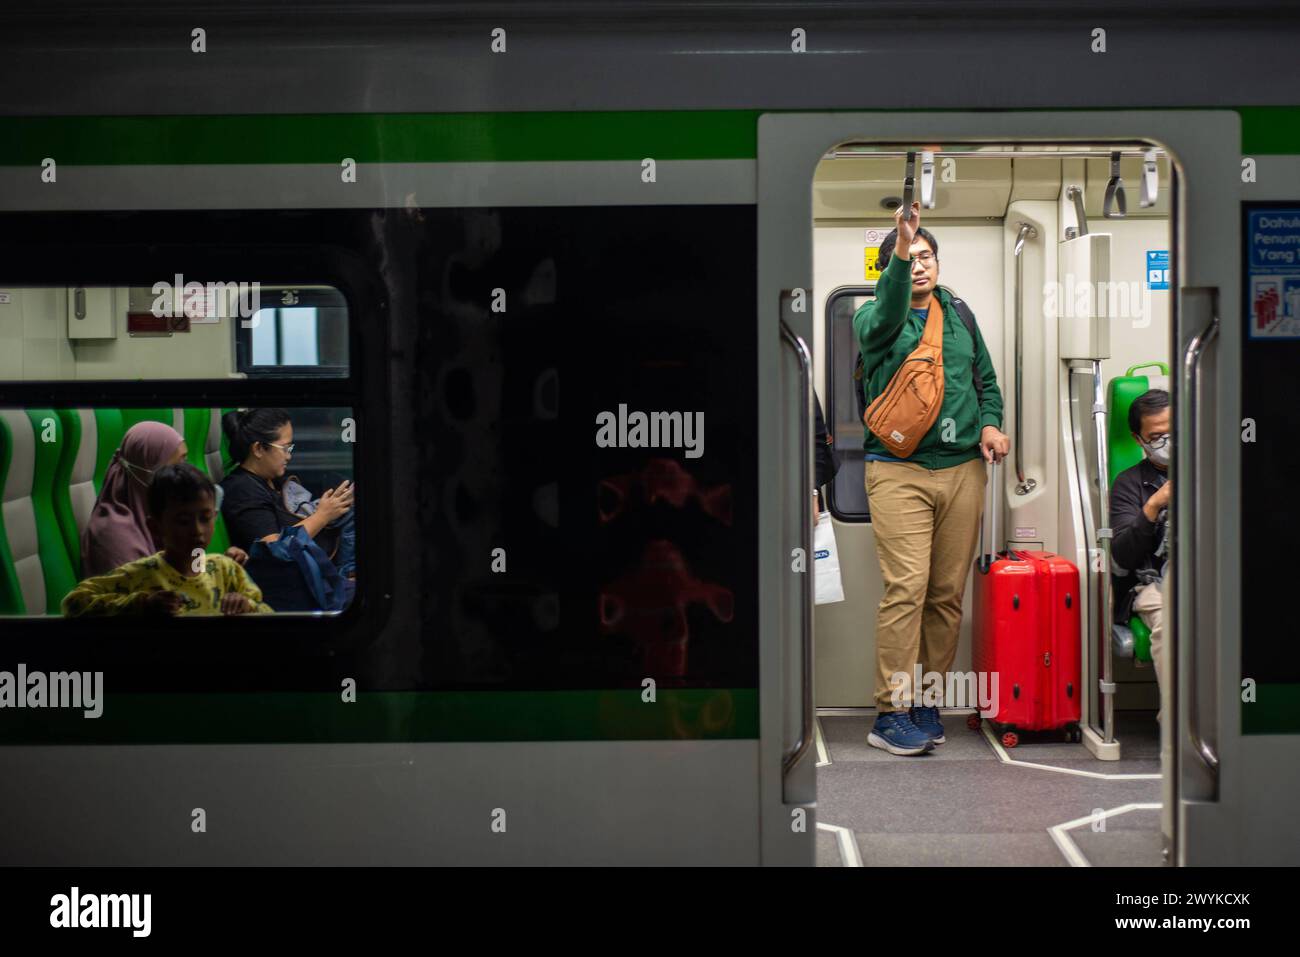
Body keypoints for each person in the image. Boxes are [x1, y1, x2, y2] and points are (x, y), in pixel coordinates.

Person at [853, 201, 1009, 756]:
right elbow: (889, 301)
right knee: (907, 589)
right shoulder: (875, 318)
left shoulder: (961, 315)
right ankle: (890, 712)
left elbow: (987, 383)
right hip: (899, 473)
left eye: (926, 256)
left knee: (946, 595)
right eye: (908, 257)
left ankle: (924, 699)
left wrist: (991, 426)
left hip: (964, 468)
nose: (918, 264)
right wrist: (897, 245)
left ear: (938, 264)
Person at [62, 463, 271, 617]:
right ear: (156, 527)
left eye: (205, 518)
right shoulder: (141, 575)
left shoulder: (225, 570)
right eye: (183, 521)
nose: (197, 530)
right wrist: (140, 604)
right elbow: (73, 603)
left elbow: (268, 612)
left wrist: (247, 606)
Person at [80, 420, 247, 578]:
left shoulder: (165, 511)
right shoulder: (116, 538)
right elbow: (151, 601)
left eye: (185, 461)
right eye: (176, 466)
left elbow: (190, 574)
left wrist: (221, 568)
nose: (183, 473)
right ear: (148, 471)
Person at [218, 408, 355, 578]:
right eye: (284, 448)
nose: (289, 456)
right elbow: (274, 550)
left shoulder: (272, 478)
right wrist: (323, 516)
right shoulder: (242, 490)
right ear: (259, 449)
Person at [1110, 388, 1171, 723]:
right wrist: (1152, 506)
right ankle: (1180, 722)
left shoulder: (1213, 469)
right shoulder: (1129, 484)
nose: (1168, 442)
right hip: (1155, 582)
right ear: (1139, 439)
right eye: (1158, 437)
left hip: (1209, 576)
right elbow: (1122, 558)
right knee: (1173, 621)